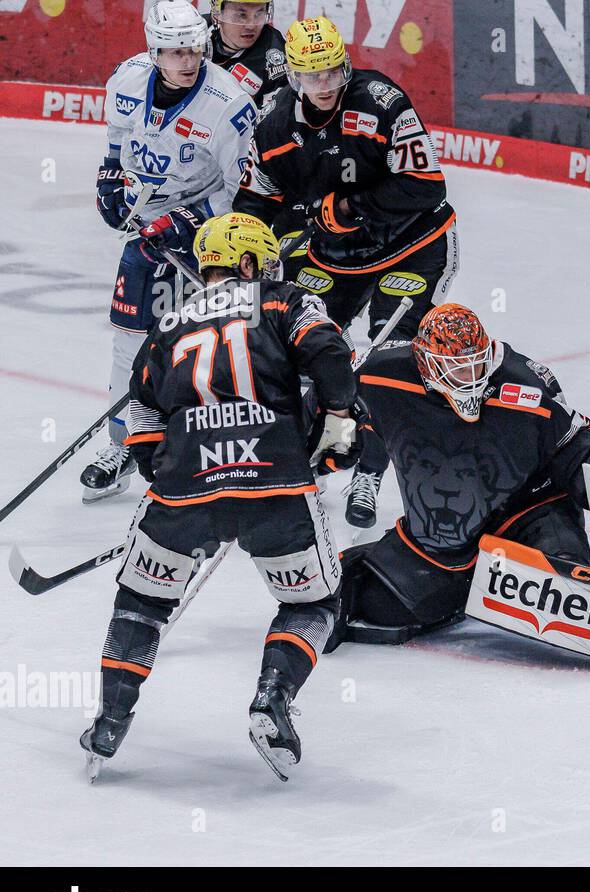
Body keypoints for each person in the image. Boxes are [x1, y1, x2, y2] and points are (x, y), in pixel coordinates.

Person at [79, 212, 360, 782]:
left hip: (184, 491)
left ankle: (110, 720)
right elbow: (331, 355)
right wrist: (338, 422)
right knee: (313, 605)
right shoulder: (284, 300)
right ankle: (271, 700)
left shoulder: (170, 324)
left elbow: (141, 411)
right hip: (275, 486)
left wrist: (165, 471)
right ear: (252, 263)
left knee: (142, 602)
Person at [329, 303, 590, 679]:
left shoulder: (528, 384)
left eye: (477, 365)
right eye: (458, 369)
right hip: (440, 541)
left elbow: (572, 447)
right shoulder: (380, 373)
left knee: (560, 580)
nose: (472, 378)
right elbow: (332, 410)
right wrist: (326, 442)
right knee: (376, 603)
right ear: (426, 365)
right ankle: (419, 585)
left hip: (529, 513)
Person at [235, 15, 459, 529]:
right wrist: (243, 249)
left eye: (332, 73)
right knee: (307, 346)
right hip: (334, 254)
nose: (324, 85)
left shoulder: (381, 102)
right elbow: (255, 200)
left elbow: (428, 187)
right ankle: (305, 456)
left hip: (412, 246)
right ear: (292, 75)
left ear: (346, 66)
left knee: (390, 359)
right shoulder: (272, 123)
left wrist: (350, 209)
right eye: (312, 76)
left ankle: (371, 472)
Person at [84, 0, 256, 503]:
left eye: (195, 51)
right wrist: (110, 178)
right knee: (126, 343)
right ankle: (120, 445)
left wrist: (186, 221)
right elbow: (117, 142)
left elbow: (238, 192)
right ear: (153, 49)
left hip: (209, 242)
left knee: (216, 347)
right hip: (146, 233)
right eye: (174, 52)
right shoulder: (127, 78)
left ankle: (226, 453)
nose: (187, 61)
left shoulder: (228, 103)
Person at [206, 0, 288, 108]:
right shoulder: (196, 31)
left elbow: (270, 121)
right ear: (217, 13)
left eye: (259, 14)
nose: (251, 26)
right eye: (241, 15)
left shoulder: (276, 56)